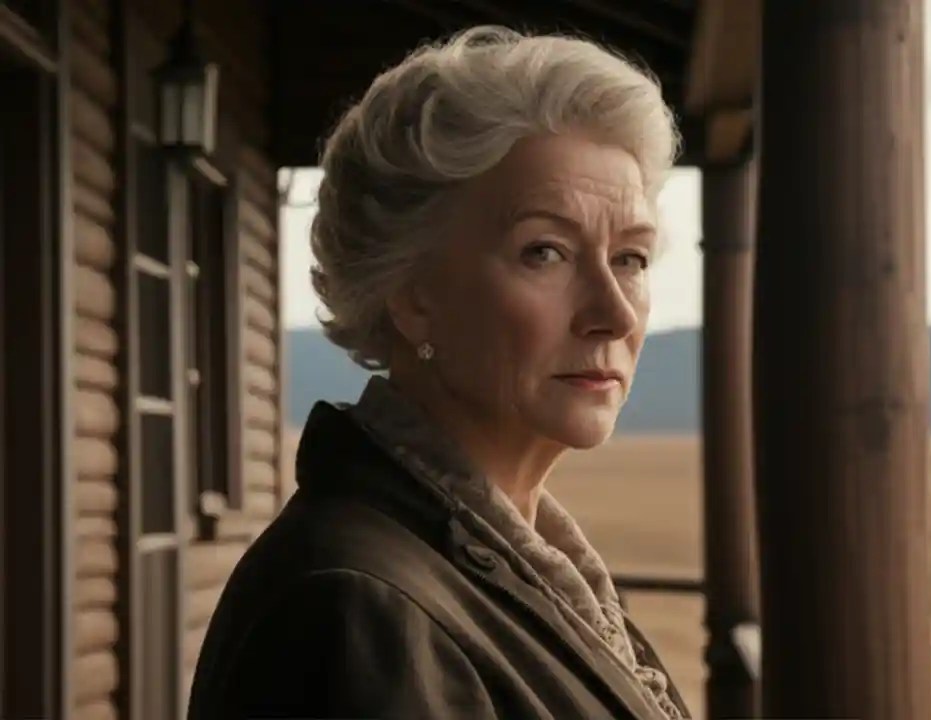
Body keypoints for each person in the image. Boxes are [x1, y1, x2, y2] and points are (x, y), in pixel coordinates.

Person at [187, 26, 689, 720]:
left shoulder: (524, 569)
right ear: (412, 294)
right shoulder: (355, 609)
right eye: (545, 252)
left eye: (630, 258)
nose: (613, 313)